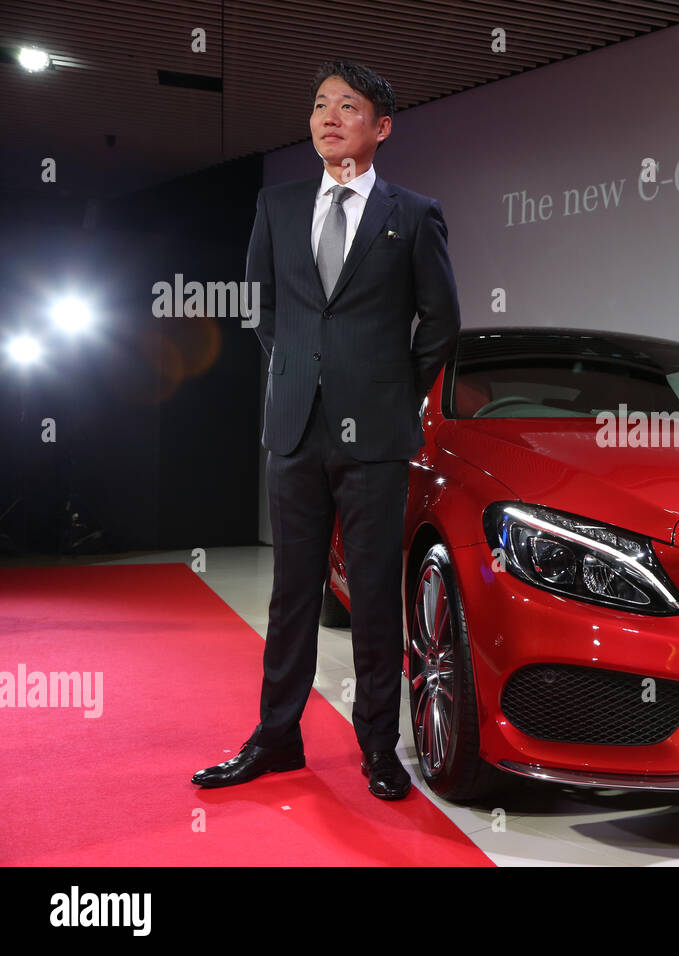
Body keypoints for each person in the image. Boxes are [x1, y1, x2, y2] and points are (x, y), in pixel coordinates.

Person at [192, 60, 461, 800]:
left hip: (374, 436)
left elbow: (441, 322)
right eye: (318, 105)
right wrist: (297, 374)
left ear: (381, 127)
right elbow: (264, 308)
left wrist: (391, 393)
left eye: (348, 106)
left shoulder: (414, 213)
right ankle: (275, 738)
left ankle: (378, 747)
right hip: (294, 429)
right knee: (292, 595)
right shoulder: (275, 205)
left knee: (372, 596)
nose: (328, 116)